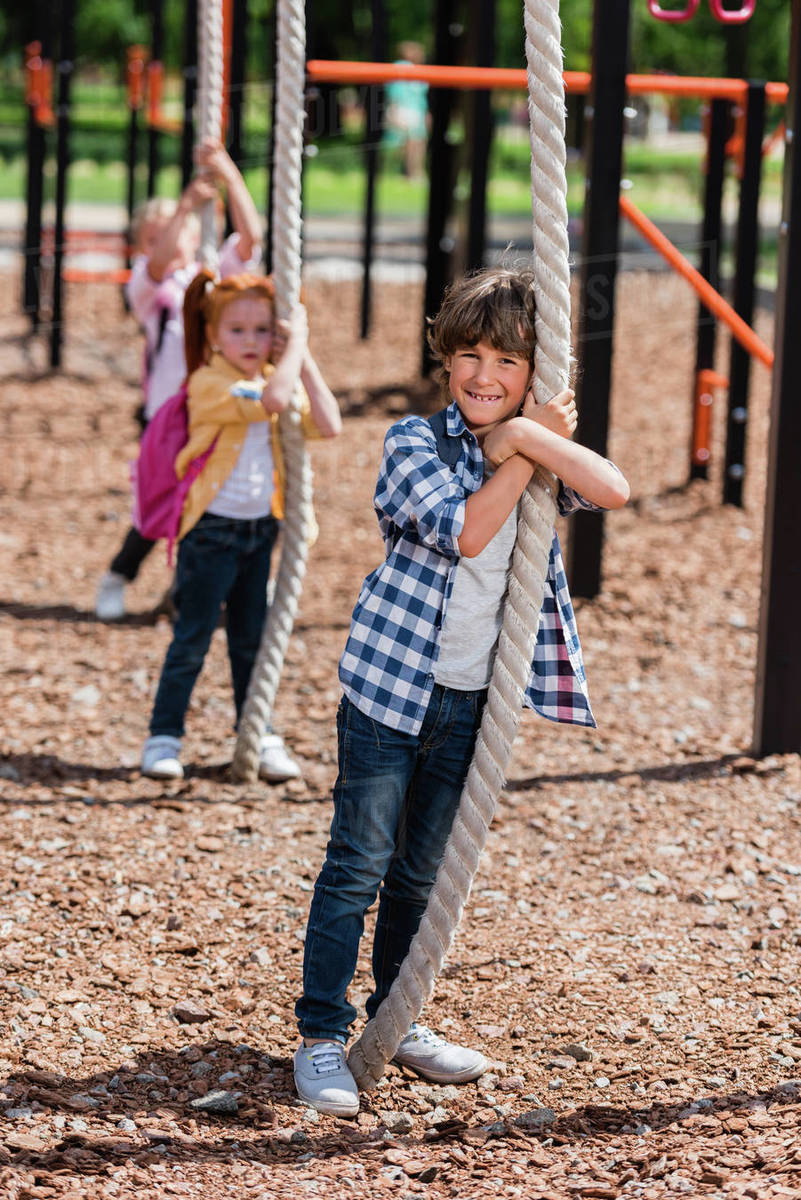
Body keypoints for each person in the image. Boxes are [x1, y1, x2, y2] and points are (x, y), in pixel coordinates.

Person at [292, 267, 630, 1117]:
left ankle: (395, 1018)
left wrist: (529, 439)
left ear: (534, 372)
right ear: (445, 360)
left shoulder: (530, 441)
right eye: (469, 355)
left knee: (418, 877)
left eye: (506, 361)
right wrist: (519, 446)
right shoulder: (413, 442)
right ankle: (321, 1035)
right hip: (388, 692)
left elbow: (612, 489)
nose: (484, 374)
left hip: (470, 698)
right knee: (357, 866)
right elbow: (472, 531)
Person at [140, 271, 341, 783]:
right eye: (236, 330)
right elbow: (272, 402)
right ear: (211, 336)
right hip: (210, 534)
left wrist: (304, 354)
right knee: (193, 637)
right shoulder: (209, 383)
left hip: (259, 533)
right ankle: (164, 736)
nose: (250, 342)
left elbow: (330, 423)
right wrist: (290, 350)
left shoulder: (276, 375)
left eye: (260, 331)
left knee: (252, 639)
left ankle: (258, 731)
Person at [95, 139, 263, 624]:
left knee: (210, 503)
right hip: (170, 416)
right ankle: (118, 576)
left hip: (218, 408)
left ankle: (187, 592)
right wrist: (186, 204)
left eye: (171, 232)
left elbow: (251, 237)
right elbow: (156, 260)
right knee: (158, 501)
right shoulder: (152, 290)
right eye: (151, 238)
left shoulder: (214, 280)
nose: (161, 245)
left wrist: (229, 176)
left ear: (194, 234)